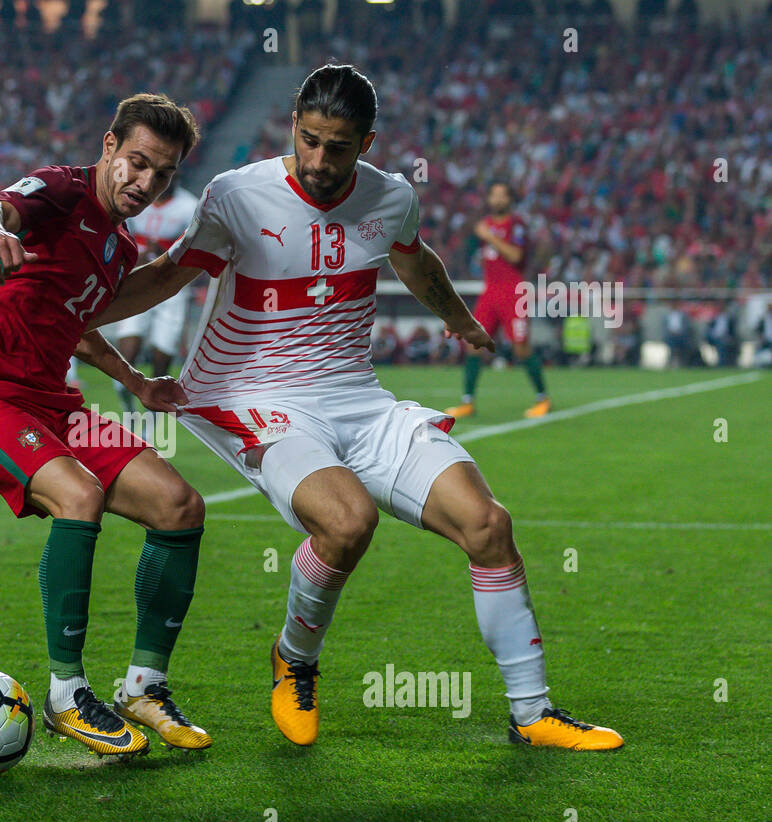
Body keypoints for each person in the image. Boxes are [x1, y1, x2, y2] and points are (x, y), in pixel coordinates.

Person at [89, 65, 622, 752]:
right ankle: (295, 660)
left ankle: (532, 713)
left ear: (365, 144)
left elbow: (415, 258)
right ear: (293, 127)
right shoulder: (237, 195)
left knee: (488, 525)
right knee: (347, 522)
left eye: (336, 147)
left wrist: (460, 321)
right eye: (307, 140)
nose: (317, 160)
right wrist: (72, 311)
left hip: (358, 400)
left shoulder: (389, 198)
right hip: (260, 400)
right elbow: (167, 275)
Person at [0, 93, 210, 758]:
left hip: (56, 407)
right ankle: (65, 695)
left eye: (162, 174)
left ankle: (144, 686)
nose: (144, 182)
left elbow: (77, 329)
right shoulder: (60, 189)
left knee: (180, 505)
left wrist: (137, 382)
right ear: (110, 146)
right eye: (137, 162)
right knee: (80, 494)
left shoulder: (119, 246)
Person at [445, 181, 551, 419]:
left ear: (510, 199)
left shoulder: (516, 224)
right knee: (472, 343)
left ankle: (543, 398)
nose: (498, 200)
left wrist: (489, 236)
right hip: (490, 292)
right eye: (494, 195)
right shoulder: (484, 225)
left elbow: (515, 255)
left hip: (513, 293)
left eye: (503, 195)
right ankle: (468, 401)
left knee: (521, 347)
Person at [105, 179, 199, 420]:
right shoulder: (138, 201)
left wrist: (166, 252)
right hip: (139, 280)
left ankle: (151, 423)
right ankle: (127, 407)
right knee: (128, 344)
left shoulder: (189, 206)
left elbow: (197, 247)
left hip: (174, 288)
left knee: (162, 353)